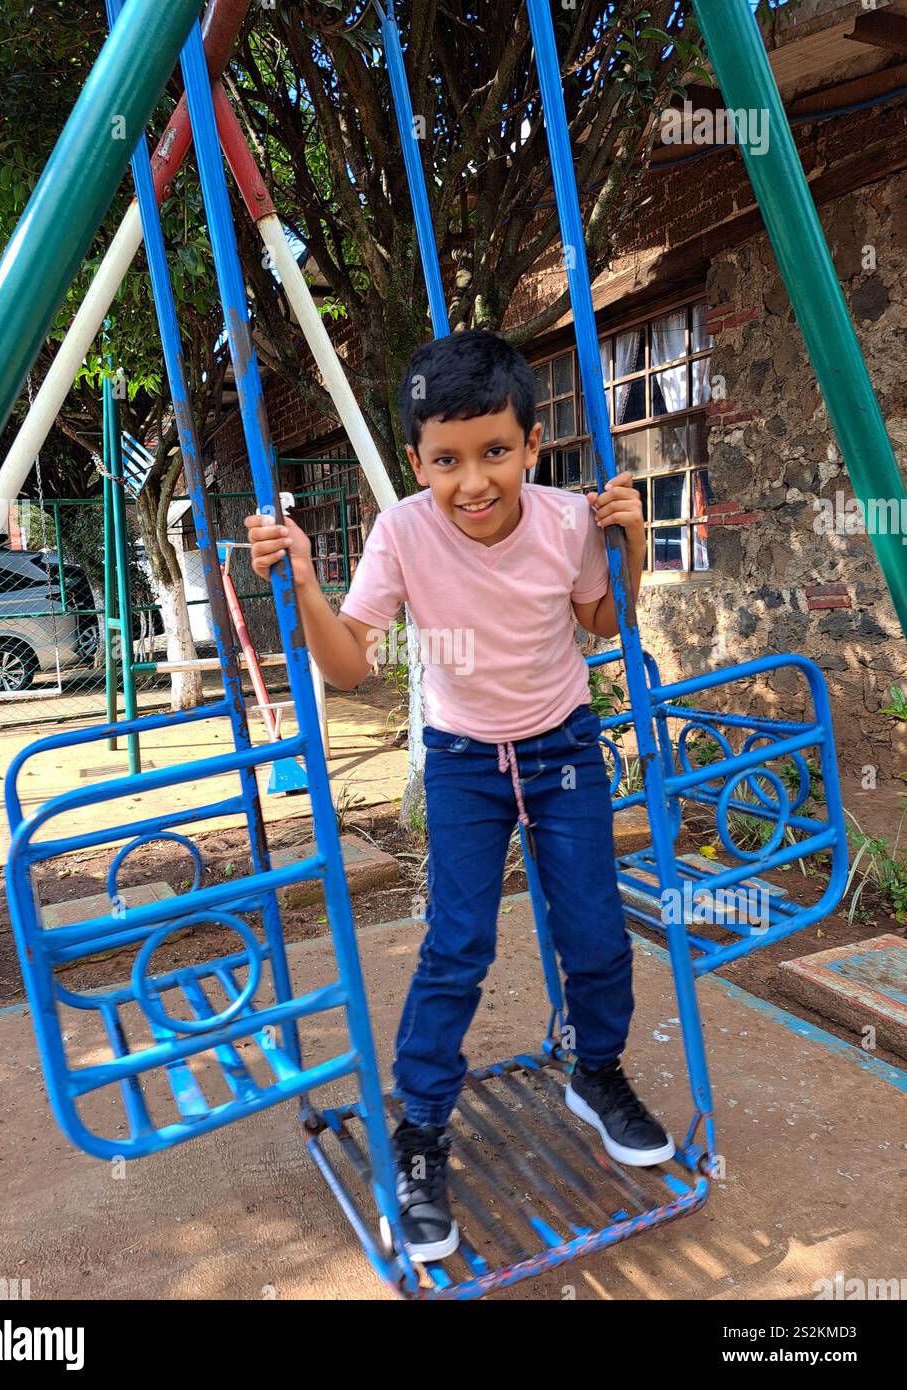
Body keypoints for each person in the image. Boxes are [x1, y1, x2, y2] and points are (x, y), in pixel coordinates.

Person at [246, 330, 674, 1264]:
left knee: (597, 929)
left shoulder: (567, 520)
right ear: (417, 462)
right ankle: (422, 1132)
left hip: (563, 745)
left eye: (494, 454)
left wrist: (631, 544)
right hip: (464, 758)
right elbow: (352, 665)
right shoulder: (402, 530)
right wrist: (310, 585)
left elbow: (605, 624)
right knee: (458, 943)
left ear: (530, 445)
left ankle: (596, 1074)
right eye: (447, 460)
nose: (472, 482)